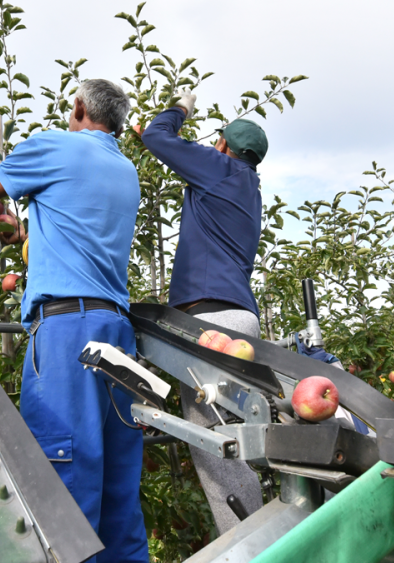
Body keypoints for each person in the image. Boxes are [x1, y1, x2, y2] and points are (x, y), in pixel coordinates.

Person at [0, 79, 148, 563]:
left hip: (66, 335)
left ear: (78, 107)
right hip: (118, 332)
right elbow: (76, 221)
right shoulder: (124, 170)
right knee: (119, 487)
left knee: (65, 482)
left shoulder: (54, 146)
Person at [140, 91, 269, 535]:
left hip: (210, 325)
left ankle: (250, 545)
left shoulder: (221, 168)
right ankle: (266, 530)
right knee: (236, 439)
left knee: (213, 449)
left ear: (222, 146)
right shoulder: (249, 186)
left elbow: (157, 136)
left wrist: (179, 107)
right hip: (240, 320)